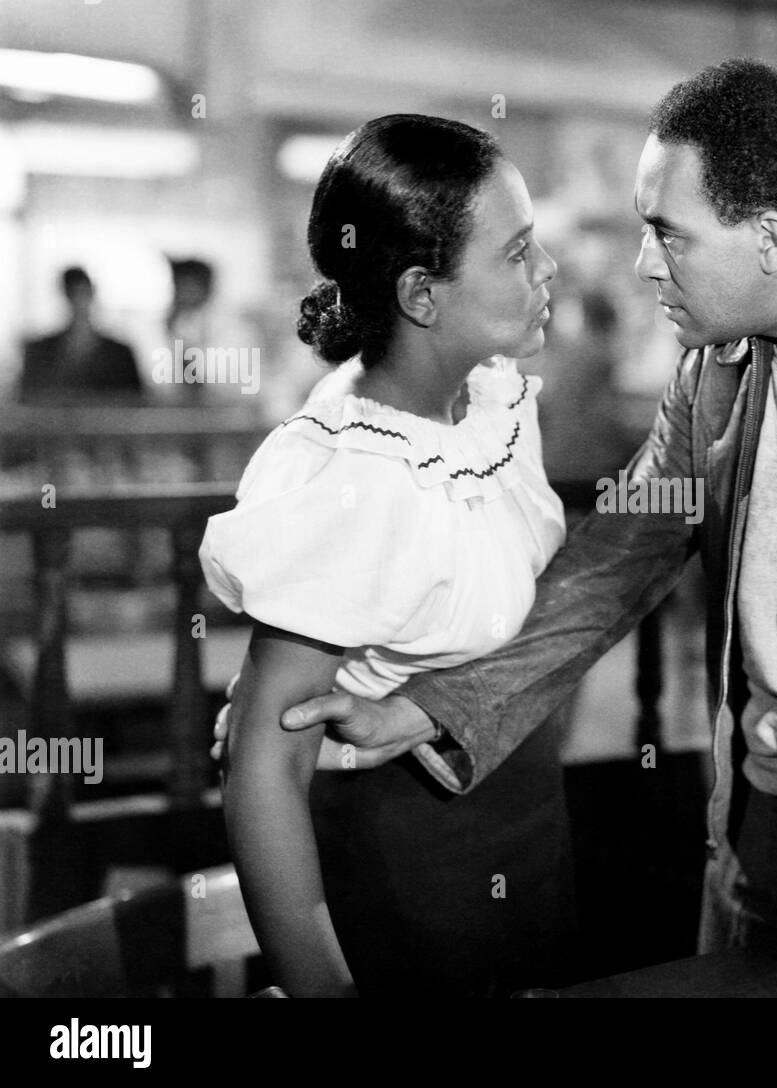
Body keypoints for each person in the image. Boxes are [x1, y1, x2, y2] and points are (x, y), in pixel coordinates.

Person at [223, 61, 777, 998]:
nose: (645, 264)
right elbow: (619, 560)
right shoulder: (717, 365)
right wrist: (437, 703)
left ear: (769, 239)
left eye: (669, 235)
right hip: (749, 823)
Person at [200, 114, 568, 997]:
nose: (546, 269)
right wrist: (320, 985)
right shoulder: (352, 470)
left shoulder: (489, 403)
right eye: (516, 253)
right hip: (416, 857)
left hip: (523, 813)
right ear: (422, 294)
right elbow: (263, 759)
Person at [20, 267, 143, 405]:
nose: (79, 301)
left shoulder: (120, 354)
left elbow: (134, 403)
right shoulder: (39, 351)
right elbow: (28, 400)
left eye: (82, 293)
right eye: (74, 294)